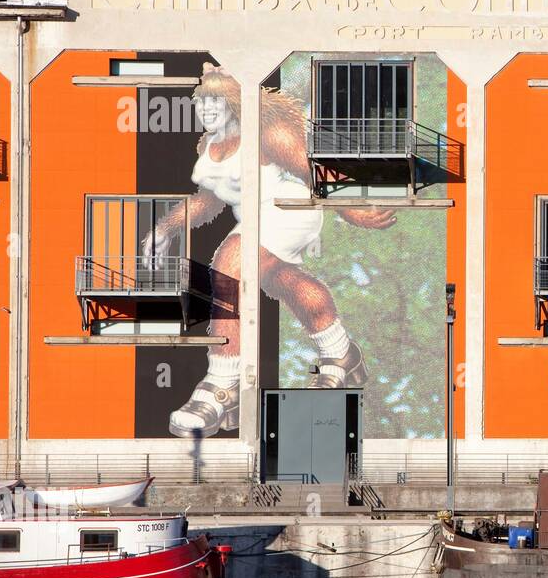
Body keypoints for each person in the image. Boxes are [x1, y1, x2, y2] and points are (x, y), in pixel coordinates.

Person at [153, 65, 395, 438]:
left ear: (237, 102)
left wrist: (352, 210)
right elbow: (210, 199)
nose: (208, 109)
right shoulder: (209, 146)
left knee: (229, 266)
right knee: (284, 282)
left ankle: (223, 384)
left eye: (217, 100)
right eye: (202, 101)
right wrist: (167, 228)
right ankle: (341, 353)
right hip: (254, 217)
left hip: (290, 211)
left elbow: (314, 170)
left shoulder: (269, 133)